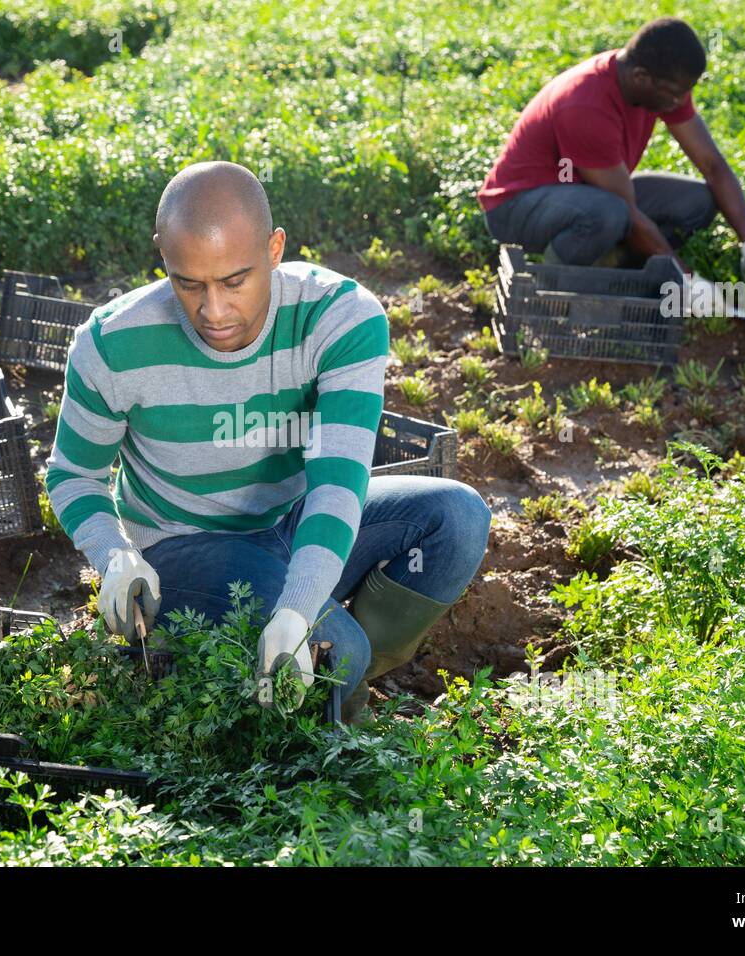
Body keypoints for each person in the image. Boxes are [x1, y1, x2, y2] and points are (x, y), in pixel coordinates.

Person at [44, 161, 492, 724]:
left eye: (235, 280)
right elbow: (73, 475)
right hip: (184, 546)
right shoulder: (112, 342)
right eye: (189, 283)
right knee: (337, 654)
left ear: (275, 248)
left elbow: (338, 482)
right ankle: (324, 696)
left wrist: (298, 609)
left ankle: (329, 677)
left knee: (457, 518)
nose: (214, 310)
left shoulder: (339, 318)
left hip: (294, 518)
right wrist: (115, 554)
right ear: (163, 255)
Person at [478, 17, 745, 289]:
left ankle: (609, 268)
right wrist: (689, 283)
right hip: (516, 206)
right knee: (609, 213)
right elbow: (626, 208)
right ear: (641, 78)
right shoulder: (586, 104)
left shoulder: (663, 82)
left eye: (686, 91)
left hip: (586, 194)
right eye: (676, 93)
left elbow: (712, 165)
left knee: (697, 203)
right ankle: (554, 287)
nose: (681, 100)